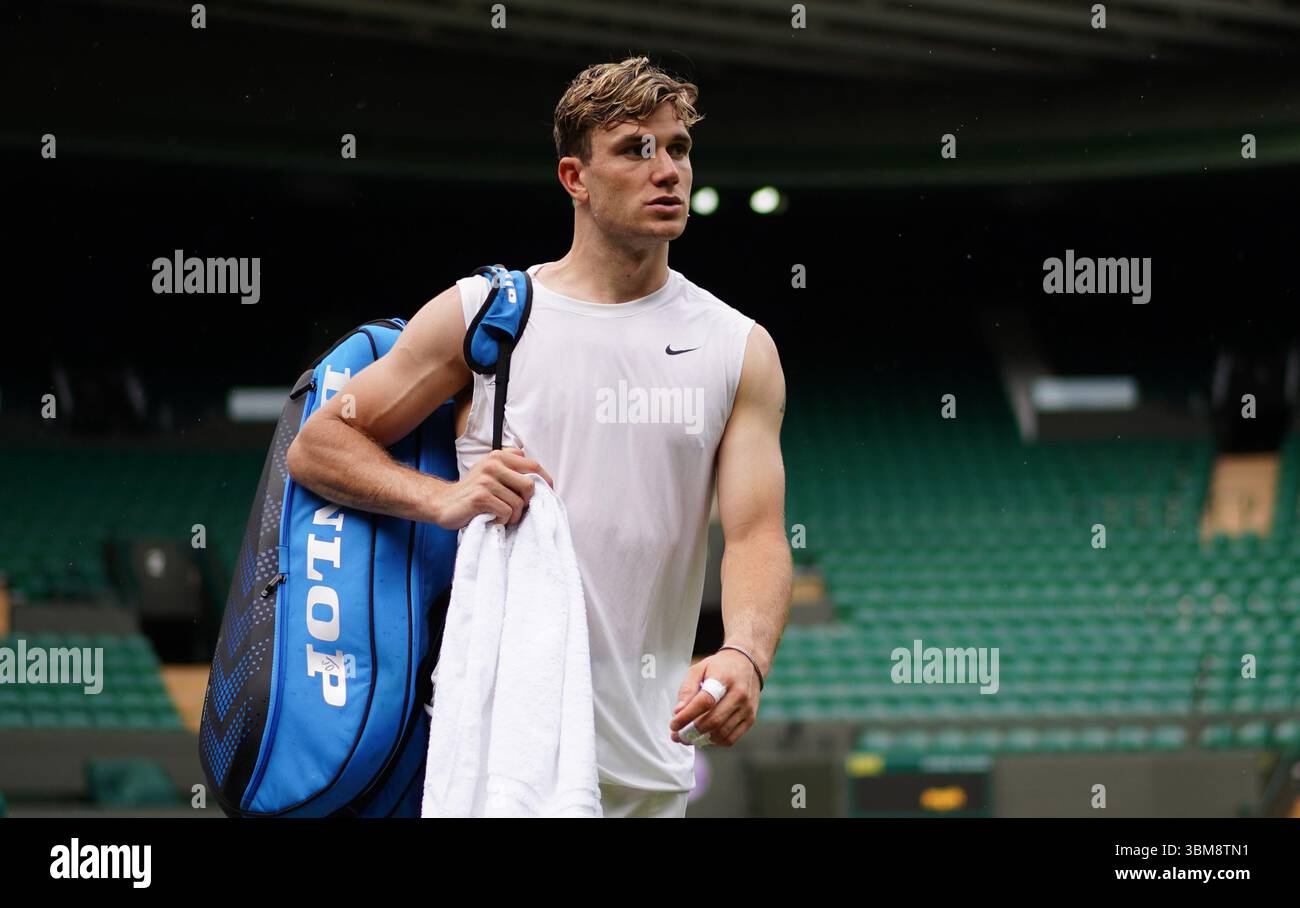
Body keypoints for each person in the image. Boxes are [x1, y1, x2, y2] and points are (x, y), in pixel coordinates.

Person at [286, 55, 791, 818]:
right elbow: (318, 445)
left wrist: (747, 653)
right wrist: (442, 498)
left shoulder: (737, 346)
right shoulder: (488, 314)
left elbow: (755, 534)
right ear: (574, 177)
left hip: (649, 763)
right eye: (636, 149)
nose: (668, 171)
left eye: (679, 148)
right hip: (496, 756)